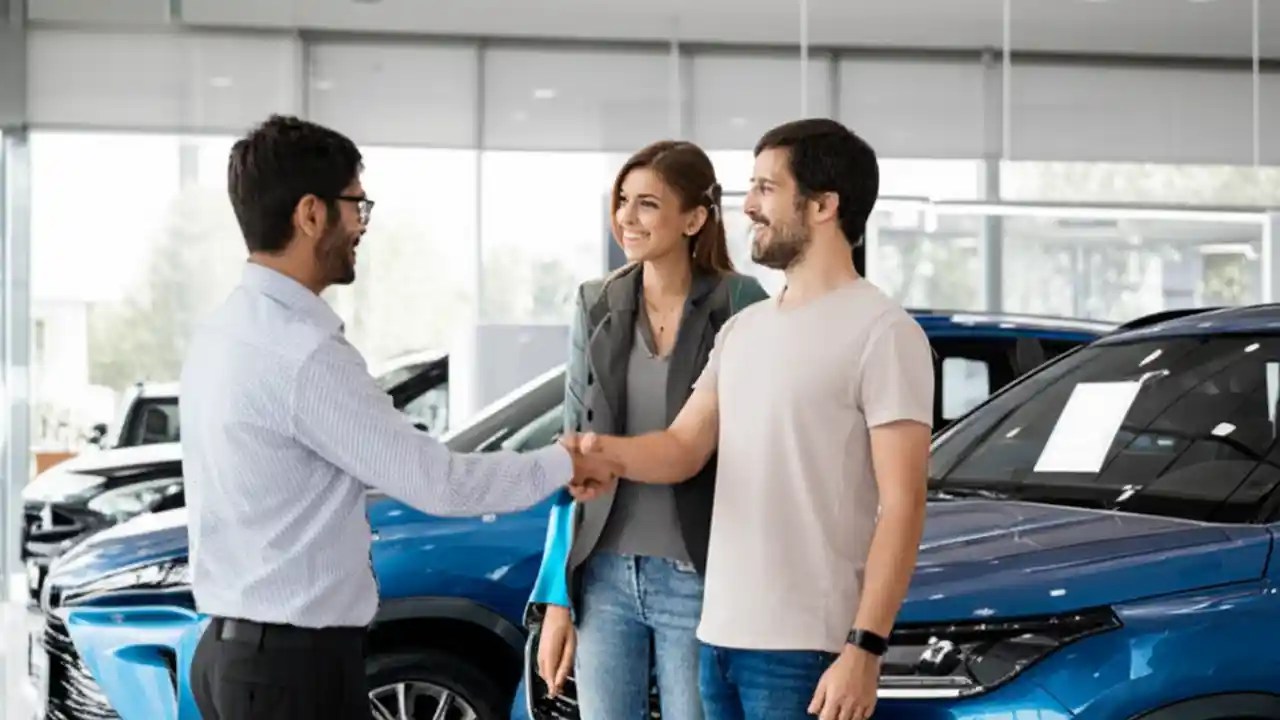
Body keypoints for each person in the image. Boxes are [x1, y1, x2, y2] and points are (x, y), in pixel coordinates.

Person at [180, 114, 619, 720]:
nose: (361, 225)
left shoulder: (224, 331)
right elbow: (438, 483)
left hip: (236, 655)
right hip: (291, 670)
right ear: (311, 213)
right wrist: (564, 461)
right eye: (356, 205)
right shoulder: (302, 354)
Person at [574, 119, 934, 720]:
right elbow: (683, 447)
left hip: (807, 649)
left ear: (824, 205)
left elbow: (904, 504)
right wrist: (595, 454)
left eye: (767, 189)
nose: (749, 207)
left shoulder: (885, 333)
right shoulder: (746, 328)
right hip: (719, 637)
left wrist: (865, 648)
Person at [524, 140, 769, 719]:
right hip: (604, 572)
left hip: (701, 573)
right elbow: (574, 451)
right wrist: (557, 598)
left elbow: (754, 451)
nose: (627, 219)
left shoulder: (742, 303)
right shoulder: (596, 302)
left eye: (648, 204)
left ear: (694, 218)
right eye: (623, 201)